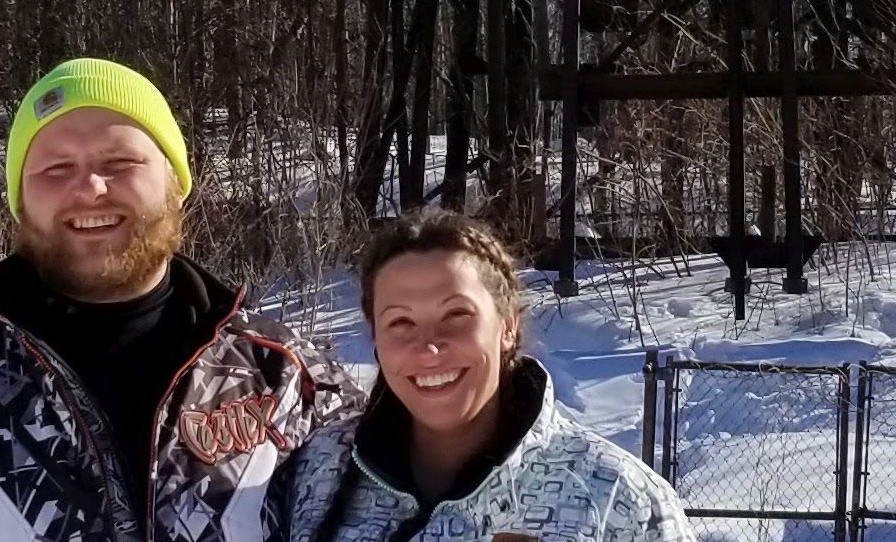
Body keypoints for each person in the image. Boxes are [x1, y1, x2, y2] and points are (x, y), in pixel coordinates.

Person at [0, 57, 355, 542]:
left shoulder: (289, 380)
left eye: (120, 163)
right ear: (20, 202)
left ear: (176, 181)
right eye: (56, 168)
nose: (89, 189)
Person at [267, 211, 689, 542]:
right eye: (401, 322)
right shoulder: (319, 470)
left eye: (457, 315)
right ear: (375, 336)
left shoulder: (621, 500)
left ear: (506, 325)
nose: (429, 347)